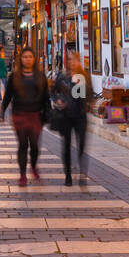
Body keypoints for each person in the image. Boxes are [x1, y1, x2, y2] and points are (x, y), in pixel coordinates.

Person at [0, 46, 49, 185]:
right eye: (25, 57)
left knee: (34, 145)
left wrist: (48, 112)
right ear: (21, 59)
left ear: (34, 59)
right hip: (19, 114)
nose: (28, 59)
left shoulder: (40, 76)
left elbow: (46, 97)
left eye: (30, 57)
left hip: (36, 115)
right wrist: (2, 110)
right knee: (22, 144)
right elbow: (8, 95)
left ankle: (33, 166)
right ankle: (22, 175)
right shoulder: (14, 77)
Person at [51, 44, 90, 186]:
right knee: (66, 146)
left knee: (82, 145)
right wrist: (58, 101)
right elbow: (53, 91)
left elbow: (86, 96)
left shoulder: (83, 76)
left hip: (80, 116)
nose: (72, 62)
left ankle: (82, 174)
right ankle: (67, 175)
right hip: (66, 116)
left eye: (75, 60)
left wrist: (84, 99)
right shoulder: (62, 76)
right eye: (70, 60)